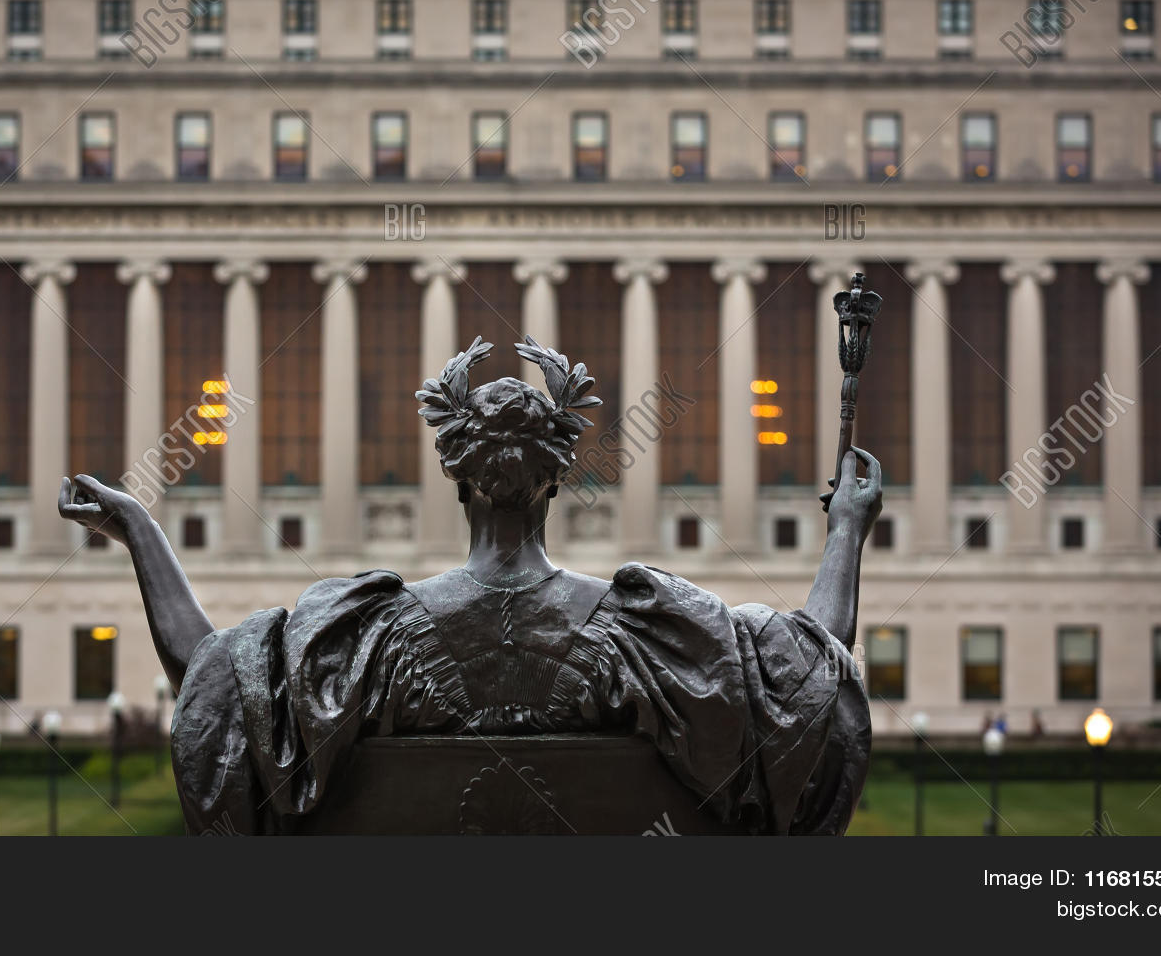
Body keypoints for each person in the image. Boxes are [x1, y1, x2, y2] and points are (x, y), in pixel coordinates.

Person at [61, 336, 883, 835]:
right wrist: (846, 529)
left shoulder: (364, 640)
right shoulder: (654, 636)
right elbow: (809, 685)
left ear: (455, 482)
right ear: (559, 485)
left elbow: (211, 687)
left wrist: (140, 530)